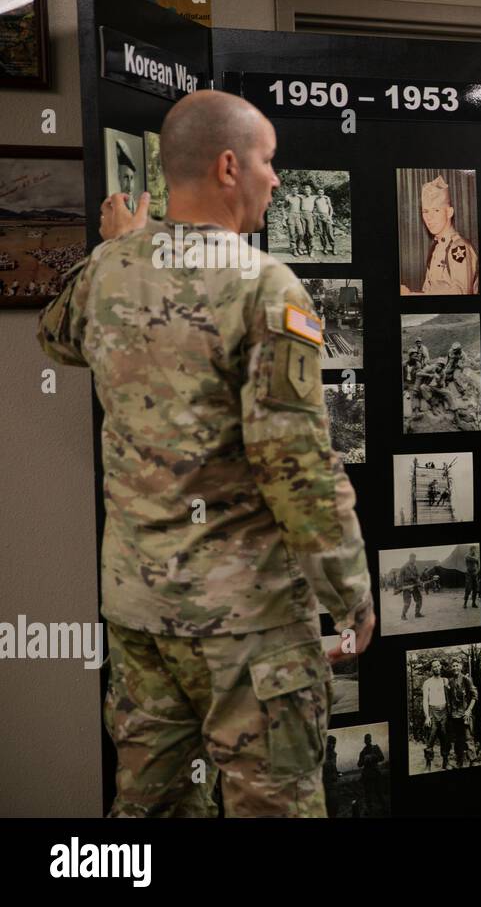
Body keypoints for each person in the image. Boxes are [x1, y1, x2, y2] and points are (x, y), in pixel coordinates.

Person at [37, 90, 374, 817]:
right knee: (273, 806)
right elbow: (298, 466)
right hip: (246, 625)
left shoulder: (108, 272)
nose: (276, 180)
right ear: (229, 166)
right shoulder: (264, 286)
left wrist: (120, 247)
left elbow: (56, 338)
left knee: (149, 810)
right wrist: (349, 589)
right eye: (268, 161)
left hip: (139, 613)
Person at [404, 175, 479, 295]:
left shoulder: (458, 247)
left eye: (436, 210)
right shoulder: (436, 247)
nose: (429, 217)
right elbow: (428, 290)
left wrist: (410, 295)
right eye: (425, 211)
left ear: (449, 212)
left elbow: (462, 293)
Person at [444, 659, 478, 768]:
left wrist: (468, 711)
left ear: (461, 666)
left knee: (468, 739)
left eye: (457, 665)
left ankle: (473, 761)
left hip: (465, 714)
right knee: (458, 740)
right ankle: (459, 762)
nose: (455, 668)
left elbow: (474, 696)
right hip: (455, 715)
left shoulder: (466, 679)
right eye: (453, 666)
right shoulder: (450, 681)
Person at [422, 659, 450, 771]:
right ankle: (428, 765)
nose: (437, 668)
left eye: (438, 666)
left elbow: (450, 697)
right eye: (434, 666)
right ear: (431, 669)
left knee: (445, 739)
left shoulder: (445, 680)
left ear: (441, 667)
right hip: (432, 712)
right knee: (430, 739)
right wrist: (427, 717)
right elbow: (425, 700)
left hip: (444, 712)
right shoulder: (427, 683)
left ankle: (446, 762)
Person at [357, 734, 385, 814]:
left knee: (379, 792)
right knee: (367, 794)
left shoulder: (375, 748)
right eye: (366, 739)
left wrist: (373, 757)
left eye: (368, 739)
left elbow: (382, 757)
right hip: (367, 776)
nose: (367, 741)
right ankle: (370, 810)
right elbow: (359, 764)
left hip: (376, 773)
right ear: (364, 741)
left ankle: (384, 807)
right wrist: (363, 760)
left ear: (371, 740)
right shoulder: (362, 752)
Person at [281, 182, 306, 256]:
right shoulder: (288, 197)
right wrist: (284, 216)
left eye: (296, 190)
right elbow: (283, 207)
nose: (295, 191)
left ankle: (299, 247)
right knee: (292, 234)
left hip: (298, 216)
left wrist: (325, 196)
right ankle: (294, 249)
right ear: (291, 190)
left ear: (298, 191)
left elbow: (309, 196)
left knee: (301, 233)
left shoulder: (300, 197)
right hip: (291, 216)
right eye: (293, 190)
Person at [312, 185, 336, 256]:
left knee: (329, 233)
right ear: (317, 193)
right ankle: (324, 247)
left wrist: (330, 216)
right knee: (321, 233)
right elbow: (313, 208)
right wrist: (315, 214)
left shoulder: (326, 198)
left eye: (321, 192)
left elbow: (330, 208)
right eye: (319, 192)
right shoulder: (316, 199)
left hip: (326, 216)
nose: (320, 193)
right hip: (319, 216)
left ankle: (333, 247)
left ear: (323, 192)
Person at [399, 552, 423, 620]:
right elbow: (400, 577)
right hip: (407, 586)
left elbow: (417, 576)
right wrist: (402, 587)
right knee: (407, 602)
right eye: (413, 558)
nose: (414, 560)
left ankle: (417, 613)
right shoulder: (404, 567)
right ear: (409, 558)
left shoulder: (415, 567)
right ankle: (403, 615)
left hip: (414, 585)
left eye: (415, 558)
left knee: (419, 599)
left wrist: (419, 581)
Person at [323, 735, 340, 818]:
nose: (332, 745)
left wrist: (337, 773)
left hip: (333, 785)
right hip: (325, 785)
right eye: (330, 743)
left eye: (334, 743)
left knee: (334, 806)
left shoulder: (334, 754)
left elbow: (334, 767)